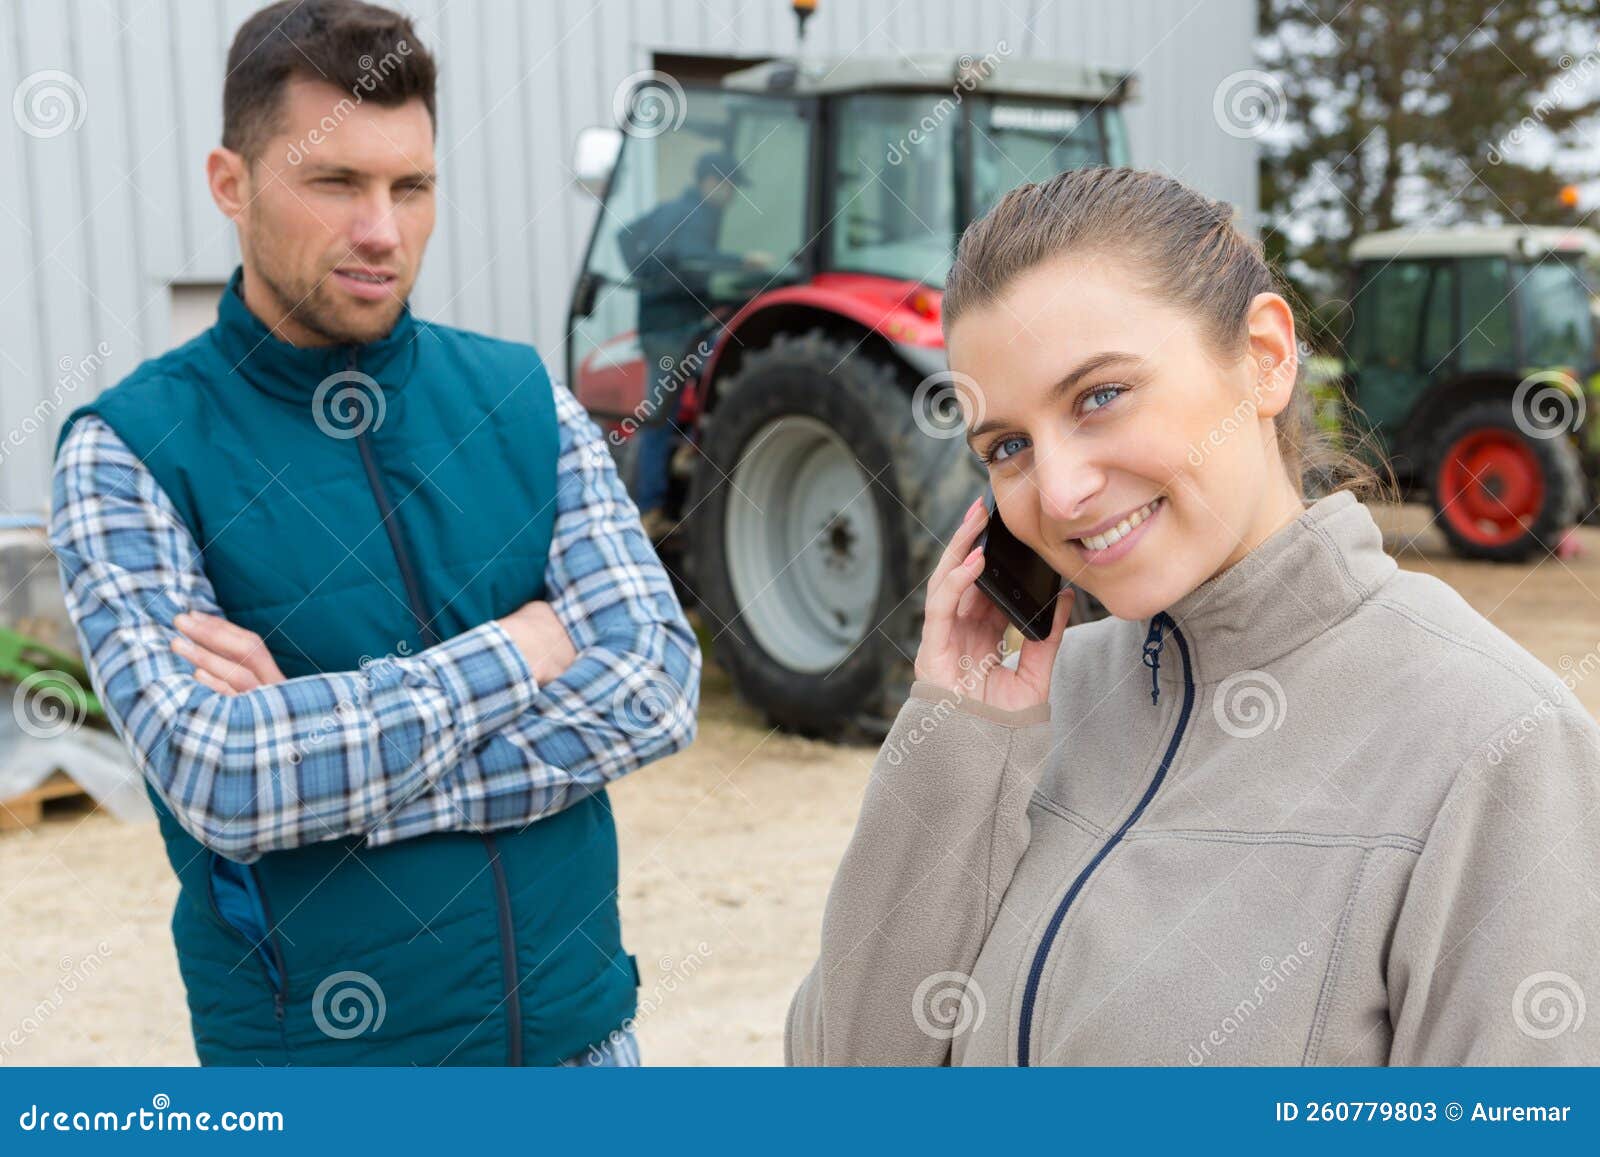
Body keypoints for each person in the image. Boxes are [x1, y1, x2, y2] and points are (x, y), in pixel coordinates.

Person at [786, 166, 1600, 1065]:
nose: (1058, 493)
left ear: (1265, 357)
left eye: (1099, 397)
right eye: (1007, 446)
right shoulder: (1036, 708)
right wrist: (955, 738)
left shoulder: (1501, 743)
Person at [49, 0, 699, 1066]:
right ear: (232, 183)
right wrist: (519, 651)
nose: (382, 231)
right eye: (335, 182)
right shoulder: (130, 452)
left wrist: (340, 785)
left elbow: (655, 686)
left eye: (412, 186)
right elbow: (227, 778)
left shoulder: (519, 399)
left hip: (583, 1054)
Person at [618, 152, 771, 540]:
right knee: (661, 416)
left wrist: (650, 279)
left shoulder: (670, 210)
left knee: (671, 407)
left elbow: (626, 237)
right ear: (712, 183)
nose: (733, 196)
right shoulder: (696, 214)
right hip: (674, 330)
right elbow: (693, 260)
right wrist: (744, 262)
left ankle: (675, 470)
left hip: (661, 325)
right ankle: (648, 509)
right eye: (731, 187)